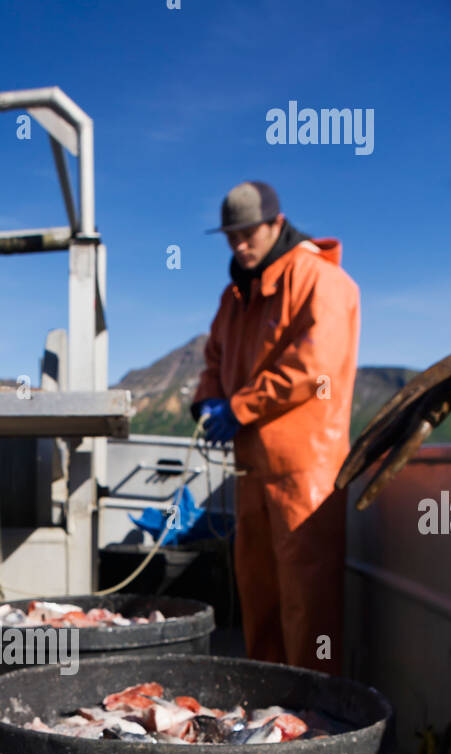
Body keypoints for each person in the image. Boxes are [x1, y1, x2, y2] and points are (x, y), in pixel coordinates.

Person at [192, 181, 359, 674]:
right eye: (230, 236)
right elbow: (213, 359)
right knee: (258, 593)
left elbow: (315, 366)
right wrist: (206, 402)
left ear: (276, 225)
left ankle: (313, 715)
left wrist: (239, 407)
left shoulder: (322, 281)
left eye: (248, 233)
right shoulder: (233, 297)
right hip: (251, 470)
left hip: (307, 469)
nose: (239, 245)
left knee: (308, 600)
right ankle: (266, 705)